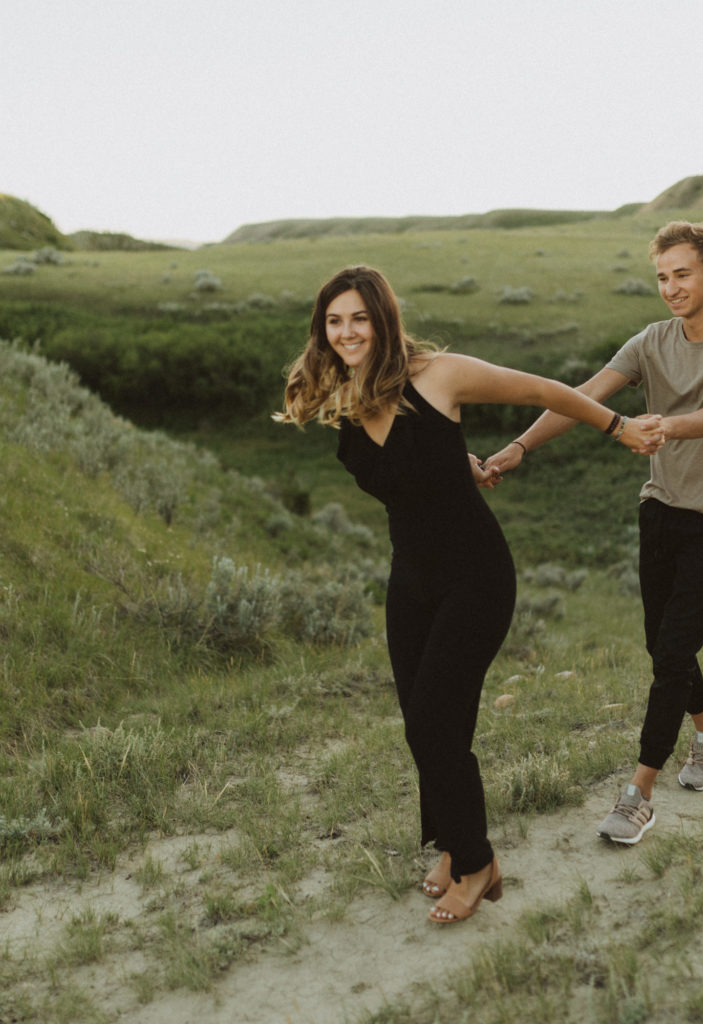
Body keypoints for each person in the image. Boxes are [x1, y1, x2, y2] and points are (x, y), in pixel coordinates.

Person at [276, 265, 661, 921]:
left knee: (434, 720)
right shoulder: (341, 393)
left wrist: (617, 425)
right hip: (411, 579)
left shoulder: (439, 374)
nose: (346, 332)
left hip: (476, 574)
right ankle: (454, 848)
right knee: (426, 727)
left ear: (383, 319)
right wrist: (459, 463)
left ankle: (478, 863)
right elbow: (411, 461)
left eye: (359, 318)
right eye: (334, 321)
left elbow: (541, 388)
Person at [482, 221, 703, 845]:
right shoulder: (650, 342)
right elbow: (583, 397)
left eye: (683, 274)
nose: (671, 288)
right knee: (663, 644)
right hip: (660, 507)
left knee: (671, 652)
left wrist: (657, 428)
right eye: (662, 277)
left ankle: (638, 792)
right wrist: (519, 447)